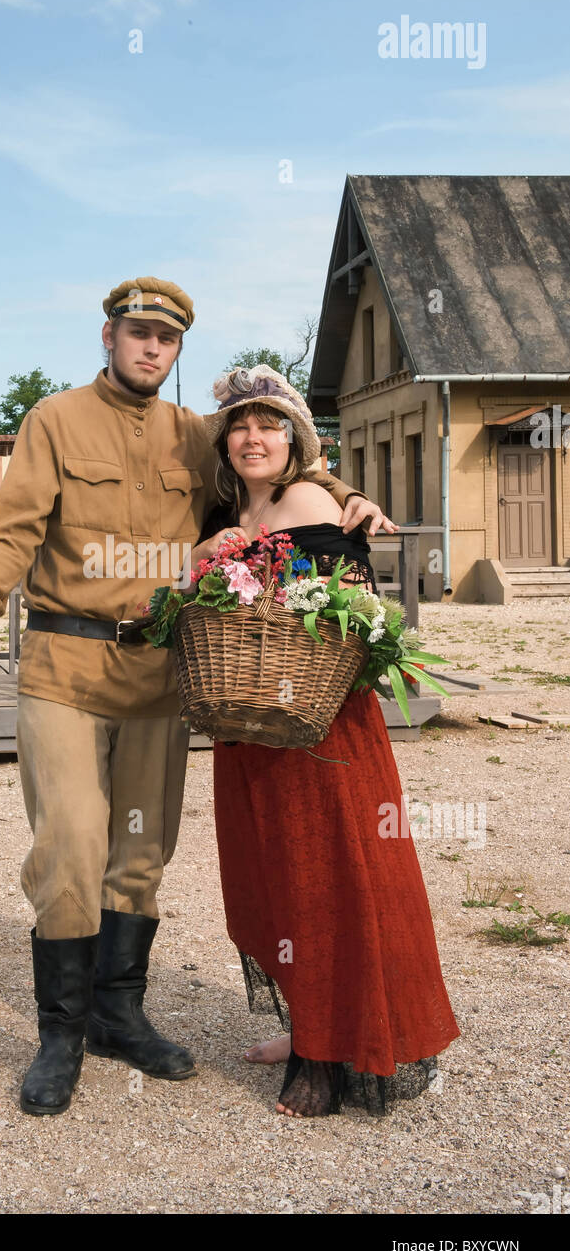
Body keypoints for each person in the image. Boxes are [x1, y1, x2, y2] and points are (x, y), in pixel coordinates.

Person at [0, 279, 394, 1118]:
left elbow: (275, 480)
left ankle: (119, 1014)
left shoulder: (198, 436)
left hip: (158, 677)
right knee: (71, 845)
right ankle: (61, 1034)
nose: (152, 349)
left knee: (140, 858)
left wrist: (350, 501)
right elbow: (12, 529)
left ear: (177, 350)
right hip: (65, 668)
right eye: (138, 333)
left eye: (167, 340)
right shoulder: (54, 420)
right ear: (108, 335)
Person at [195, 366, 460, 1117]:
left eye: (269, 424)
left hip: (318, 719)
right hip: (249, 722)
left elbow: (349, 610)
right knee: (274, 872)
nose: (253, 437)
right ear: (225, 439)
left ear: (294, 439)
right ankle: (307, 1019)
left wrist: (343, 497)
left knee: (331, 870)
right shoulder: (223, 510)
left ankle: (330, 1050)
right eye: (241, 425)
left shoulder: (309, 499)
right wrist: (200, 564)